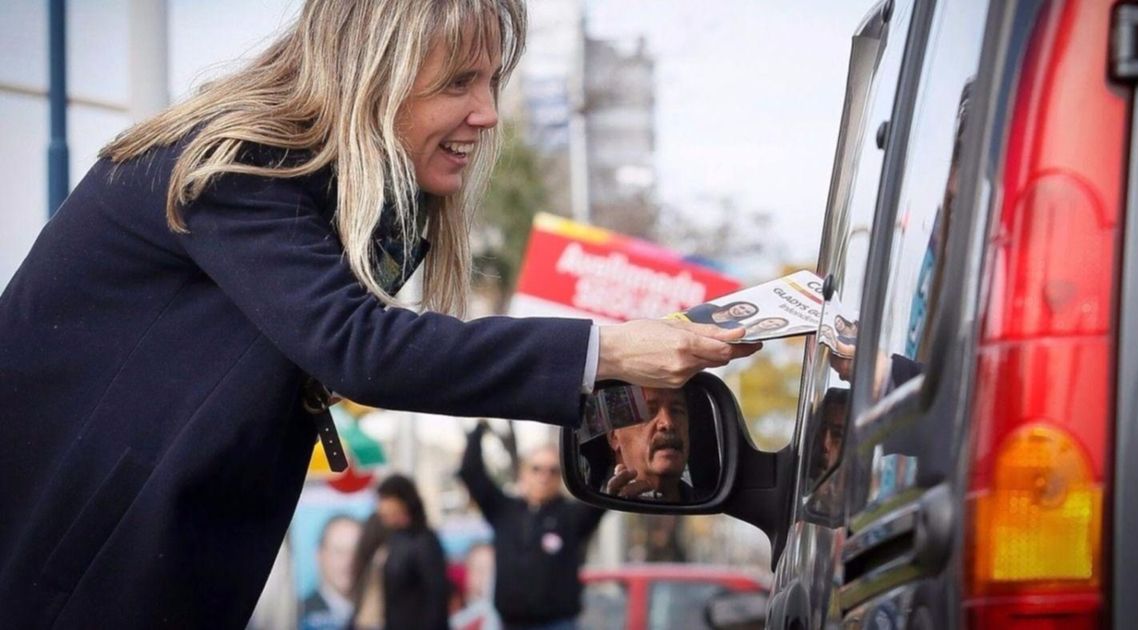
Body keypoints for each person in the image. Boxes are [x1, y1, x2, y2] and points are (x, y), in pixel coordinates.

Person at [0, 0, 760, 625]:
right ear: (372, 74)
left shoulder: (310, 195)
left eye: (492, 81)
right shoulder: (235, 164)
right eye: (460, 82)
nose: (488, 113)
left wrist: (615, 382)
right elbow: (361, 347)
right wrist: (609, 350)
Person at [460, 423, 605, 629]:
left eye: (553, 471)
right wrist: (480, 426)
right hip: (510, 624)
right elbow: (471, 473)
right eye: (536, 469)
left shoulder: (571, 516)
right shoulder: (503, 510)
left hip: (557, 624)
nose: (544, 476)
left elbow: (600, 488)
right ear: (523, 472)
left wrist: (593, 426)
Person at [350, 475, 448, 630]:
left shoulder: (424, 541)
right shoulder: (389, 538)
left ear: (402, 501)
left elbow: (436, 597)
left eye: (385, 499)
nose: (380, 508)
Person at [602, 387, 693, 502]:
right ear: (614, 437)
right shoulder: (597, 509)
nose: (668, 423)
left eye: (677, 410)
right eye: (648, 411)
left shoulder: (709, 504)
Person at [302, 515, 364, 630]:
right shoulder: (299, 615)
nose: (348, 561)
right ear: (319, 555)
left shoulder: (379, 613)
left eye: (356, 552)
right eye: (339, 551)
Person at [684, 300, 760, 329]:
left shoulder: (735, 327)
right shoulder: (708, 307)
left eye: (747, 312)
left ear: (747, 316)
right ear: (735, 304)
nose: (741, 311)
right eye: (742, 307)